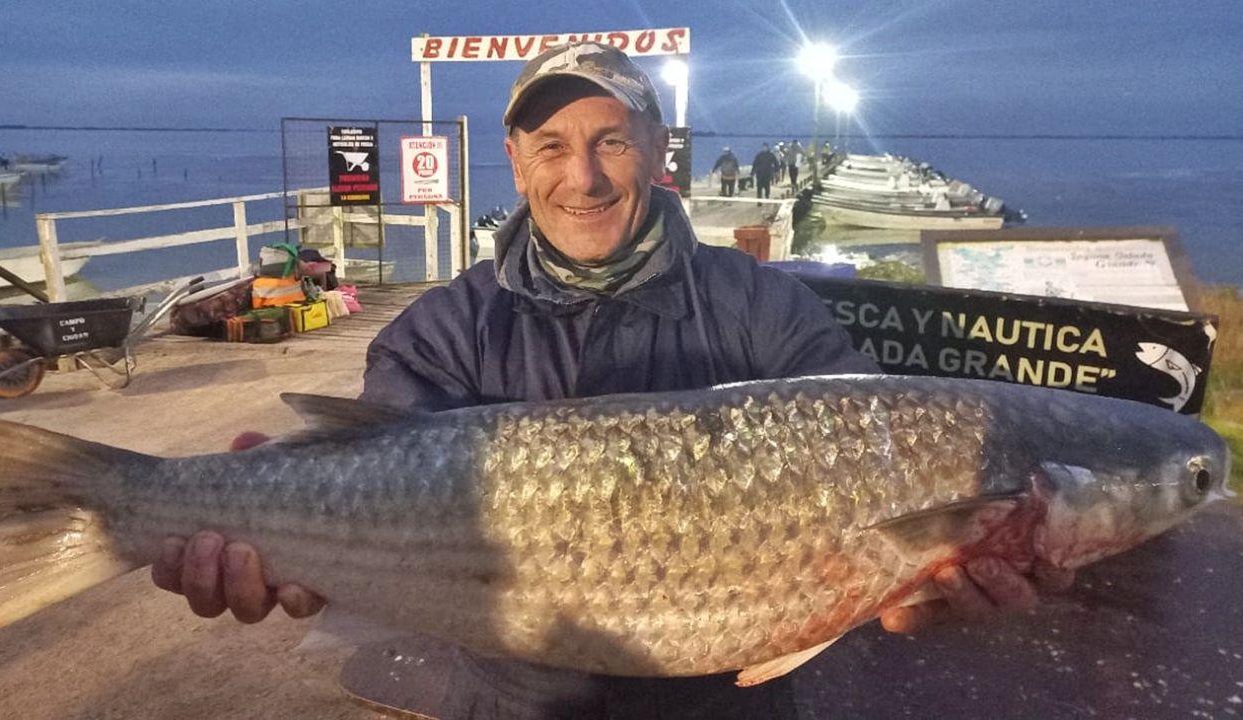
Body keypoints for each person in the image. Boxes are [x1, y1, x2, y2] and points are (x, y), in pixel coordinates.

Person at [152, 41, 1073, 720]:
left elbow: (882, 497)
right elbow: (370, 510)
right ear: (514, 163)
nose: (582, 177)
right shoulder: (441, 333)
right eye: (550, 146)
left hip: (727, 708)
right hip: (506, 703)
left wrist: (919, 595)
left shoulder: (769, 313)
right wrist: (293, 557)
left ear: (659, 152)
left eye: (611, 143)